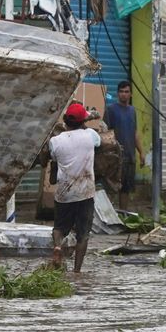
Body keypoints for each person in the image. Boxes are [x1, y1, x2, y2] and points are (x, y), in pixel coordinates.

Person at [48, 102, 103, 272]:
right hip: (85, 193)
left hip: (64, 194)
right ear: (82, 121)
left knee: (59, 228)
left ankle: (58, 246)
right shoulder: (91, 136)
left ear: (65, 121)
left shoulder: (55, 141)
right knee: (83, 234)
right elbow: (100, 143)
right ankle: (77, 271)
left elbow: (54, 161)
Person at [104, 80, 144, 199]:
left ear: (131, 94)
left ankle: (123, 215)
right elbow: (105, 134)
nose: (124, 94)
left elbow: (134, 133)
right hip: (115, 157)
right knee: (111, 189)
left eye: (126, 92)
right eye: (121, 91)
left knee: (125, 189)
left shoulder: (132, 111)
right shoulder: (111, 110)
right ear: (117, 93)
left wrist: (141, 152)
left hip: (129, 156)